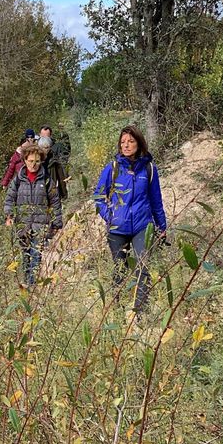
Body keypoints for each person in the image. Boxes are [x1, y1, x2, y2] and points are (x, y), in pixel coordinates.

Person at [92, 125, 168, 313]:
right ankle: (116, 312)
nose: (126, 145)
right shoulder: (113, 168)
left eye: (131, 141)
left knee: (143, 268)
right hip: (117, 229)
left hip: (143, 226)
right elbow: (99, 196)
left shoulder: (149, 169)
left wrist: (162, 227)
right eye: (123, 142)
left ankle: (141, 314)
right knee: (119, 270)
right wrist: (110, 216)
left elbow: (156, 200)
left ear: (139, 143)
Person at [5, 143, 63, 288]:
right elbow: (9, 198)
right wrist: (9, 215)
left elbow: (55, 201)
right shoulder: (18, 180)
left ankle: (32, 287)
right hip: (22, 225)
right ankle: (27, 283)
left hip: (41, 225)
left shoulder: (47, 179)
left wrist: (57, 223)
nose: (34, 164)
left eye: (37, 161)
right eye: (31, 161)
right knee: (26, 256)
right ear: (24, 160)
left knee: (36, 256)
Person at [38, 125, 70, 200]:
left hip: (52, 170)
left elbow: (62, 169)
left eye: (47, 136)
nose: (45, 138)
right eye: (43, 136)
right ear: (39, 134)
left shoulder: (56, 147)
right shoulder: (35, 148)